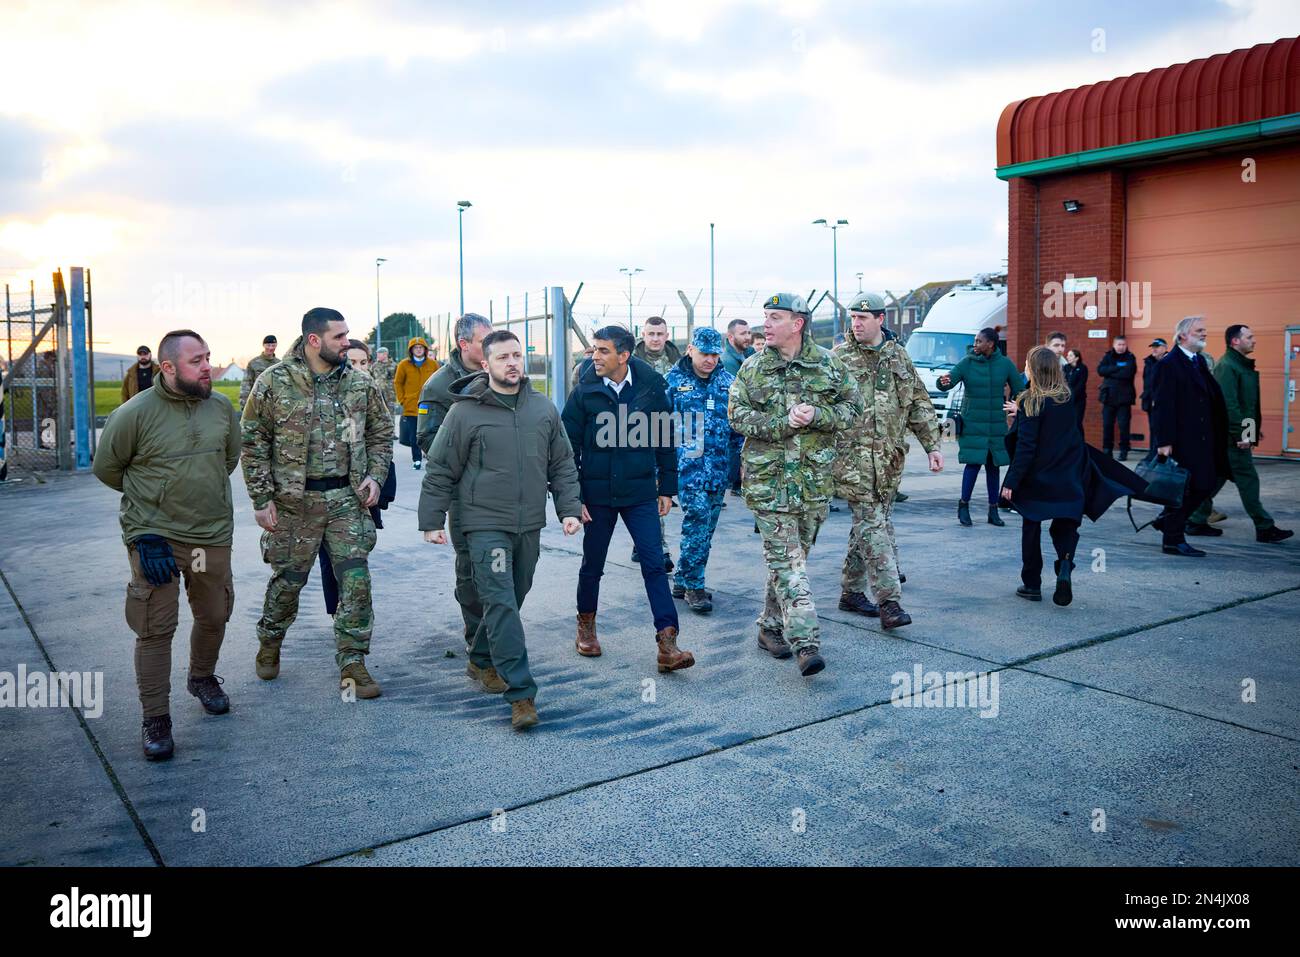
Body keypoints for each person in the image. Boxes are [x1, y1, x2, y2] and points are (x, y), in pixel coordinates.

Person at [421, 330, 582, 730]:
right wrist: (431, 520)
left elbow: (561, 463)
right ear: (485, 364)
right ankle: (522, 694)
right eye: (502, 357)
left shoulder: (543, 409)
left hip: (528, 524)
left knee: (516, 594)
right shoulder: (465, 413)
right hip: (483, 523)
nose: (512, 363)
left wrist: (569, 509)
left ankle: (480, 659)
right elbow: (440, 467)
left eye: (516, 356)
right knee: (502, 602)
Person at [92, 330, 241, 761]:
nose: (208, 366)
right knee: (156, 627)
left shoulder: (222, 407)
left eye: (208, 357)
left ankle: (202, 677)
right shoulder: (134, 413)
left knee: (214, 615)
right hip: (156, 539)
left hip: (209, 535)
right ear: (169, 367)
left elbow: (226, 460)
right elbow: (108, 469)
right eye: (197, 360)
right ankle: (156, 718)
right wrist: (149, 514)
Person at [242, 307, 394, 695]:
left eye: (347, 335)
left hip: (347, 497)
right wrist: (262, 498)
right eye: (339, 337)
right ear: (314, 340)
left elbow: (381, 432)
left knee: (356, 581)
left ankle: (353, 661)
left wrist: (375, 475)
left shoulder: (359, 384)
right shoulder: (274, 382)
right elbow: (252, 441)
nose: (347, 342)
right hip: (295, 503)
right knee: (288, 582)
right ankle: (270, 641)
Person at [729, 293, 862, 676]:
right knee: (789, 564)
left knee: (791, 563)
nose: (765, 325)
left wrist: (818, 414)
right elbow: (736, 416)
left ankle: (770, 627)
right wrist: (783, 423)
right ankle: (806, 642)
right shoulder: (753, 368)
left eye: (774, 317)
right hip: (768, 485)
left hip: (812, 484)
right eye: (765, 317)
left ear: (797, 323)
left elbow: (853, 410)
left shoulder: (828, 365)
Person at [562, 324, 695, 672]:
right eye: (594, 349)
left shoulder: (651, 388)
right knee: (593, 565)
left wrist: (667, 487)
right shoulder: (585, 391)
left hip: (639, 494)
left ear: (624, 355)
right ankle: (586, 626)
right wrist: (574, 496)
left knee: (654, 564)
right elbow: (565, 449)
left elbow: (666, 438)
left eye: (603, 350)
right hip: (598, 495)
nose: (595, 356)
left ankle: (668, 642)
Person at [833, 293, 942, 630]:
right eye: (852, 317)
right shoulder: (840, 359)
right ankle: (890, 602)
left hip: (889, 463)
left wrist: (932, 445)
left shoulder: (898, 356)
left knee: (867, 526)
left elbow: (918, 402)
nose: (856, 324)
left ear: (881, 319)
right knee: (873, 524)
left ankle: (851, 592)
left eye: (863, 318)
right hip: (852, 462)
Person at [414, 312, 492, 646]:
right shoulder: (439, 386)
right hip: (465, 492)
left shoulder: (500, 374)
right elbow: (428, 439)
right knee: (472, 569)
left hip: (502, 491)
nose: (491, 347)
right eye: (483, 341)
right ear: (464, 344)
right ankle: (478, 644)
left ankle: (497, 635)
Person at [1186, 324, 1292, 543]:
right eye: (1249, 337)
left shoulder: (1241, 365)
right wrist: (1242, 434)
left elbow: (1248, 406)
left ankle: (1195, 520)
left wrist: (1252, 431)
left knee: (1216, 478)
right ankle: (1264, 526)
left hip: (1236, 435)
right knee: (1248, 479)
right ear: (1235, 341)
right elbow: (1230, 407)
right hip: (1232, 438)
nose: (1254, 340)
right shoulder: (1228, 366)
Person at [665, 327, 743, 614]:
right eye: (704, 353)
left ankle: (683, 578)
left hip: (718, 469)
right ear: (690, 349)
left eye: (714, 354)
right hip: (686, 469)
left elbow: (737, 427)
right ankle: (695, 587)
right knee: (697, 520)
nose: (709, 359)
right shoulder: (673, 382)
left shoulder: (728, 382)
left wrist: (741, 461)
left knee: (705, 529)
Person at [317, 340, 397, 615]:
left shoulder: (370, 392)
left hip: (363, 490)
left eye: (364, 363)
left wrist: (376, 477)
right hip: (329, 492)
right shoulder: (323, 395)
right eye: (352, 363)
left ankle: (350, 609)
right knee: (331, 555)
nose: (359, 368)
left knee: (356, 554)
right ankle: (338, 609)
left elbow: (382, 438)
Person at [1002, 346, 1086, 606]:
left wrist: (1011, 482)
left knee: (1032, 526)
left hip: (1037, 475)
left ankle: (1032, 584)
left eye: (1028, 364)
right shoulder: (1066, 397)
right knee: (1066, 523)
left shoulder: (1030, 400)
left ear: (1035, 370)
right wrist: (1022, 415)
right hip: (1068, 472)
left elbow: (1027, 447)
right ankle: (1064, 564)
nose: (1025, 367)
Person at [1149, 315, 1229, 556]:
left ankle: (1167, 522)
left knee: (1205, 484)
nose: (1205, 334)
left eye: (1205, 330)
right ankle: (1172, 539)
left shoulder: (1198, 361)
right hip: (1182, 440)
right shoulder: (1169, 364)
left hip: (1203, 438)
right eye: (1199, 330)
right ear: (1182, 335)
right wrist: (1163, 442)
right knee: (1183, 489)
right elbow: (1162, 405)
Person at [937, 327, 1024, 528]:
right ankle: (963, 506)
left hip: (995, 425)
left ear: (990, 344)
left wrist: (1017, 405)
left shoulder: (1005, 364)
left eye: (978, 341)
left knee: (994, 466)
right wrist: (942, 382)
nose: (975, 345)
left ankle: (993, 510)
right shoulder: (967, 362)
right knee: (973, 464)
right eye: (975, 341)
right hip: (973, 423)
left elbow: (1019, 390)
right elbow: (948, 382)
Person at [394, 336, 438, 469]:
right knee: (414, 435)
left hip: (429, 404)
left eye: (421, 347)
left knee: (430, 432)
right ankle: (417, 459)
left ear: (425, 349)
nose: (418, 350)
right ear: (411, 350)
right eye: (415, 348)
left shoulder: (433, 364)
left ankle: (431, 457)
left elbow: (439, 381)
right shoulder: (403, 364)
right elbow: (398, 383)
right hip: (411, 406)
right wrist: (402, 400)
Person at [722, 319, 755, 494]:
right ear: (730, 336)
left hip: (746, 411)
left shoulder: (747, 356)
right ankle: (735, 483)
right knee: (735, 448)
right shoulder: (727, 361)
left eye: (749, 333)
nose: (747, 337)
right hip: (735, 412)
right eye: (743, 334)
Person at [1097, 334, 1137, 460]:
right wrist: (1117, 368)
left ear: (1126, 345)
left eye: (1123, 344)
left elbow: (1128, 373)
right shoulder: (1108, 356)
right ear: (1114, 345)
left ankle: (1124, 450)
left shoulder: (1130, 357)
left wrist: (1110, 372)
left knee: (1123, 426)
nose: (1121, 347)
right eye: (1119, 344)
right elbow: (1100, 370)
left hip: (1124, 398)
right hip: (1108, 397)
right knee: (1107, 425)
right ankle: (1107, 450)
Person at [239, 335, 278, 410]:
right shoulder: (254, 363)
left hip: (274, 406)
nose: (271, 348)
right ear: (263, 345)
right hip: (257, 404)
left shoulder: (279, 364)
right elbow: (246, 385)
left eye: (273, 345)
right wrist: (244, 406)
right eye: (268, 345)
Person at [1140, 337, 1168, 415]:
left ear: (1165, 348)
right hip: (1150, 401)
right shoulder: (1148, 362)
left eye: (1157, 347)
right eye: (1153, 347)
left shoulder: (1170, 362)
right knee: (1152, 426)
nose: (1154, 349)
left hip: (1165, 402)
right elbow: (1146, 381)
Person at [1064, 348, 1088, 432]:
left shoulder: (1082, 368)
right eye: (1067, 355)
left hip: (1079, 400)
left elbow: (1081, 384)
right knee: (1068, 423)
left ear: (1076, 358)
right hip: (1068, 399)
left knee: (1077, 422)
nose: (1067, 357)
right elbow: (1064, 382)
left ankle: (1080, 443)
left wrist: (1072, 395)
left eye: (1070, 355)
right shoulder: (1066, 367)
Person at [372, 346, 398, 411]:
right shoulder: (375, 365)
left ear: (385, 354)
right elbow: (371, 377)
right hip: (378, 392)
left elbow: (398, 379)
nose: (377, 356)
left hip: (390, 393)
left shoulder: (394, 365)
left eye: (379, 354)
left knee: (391, 411)